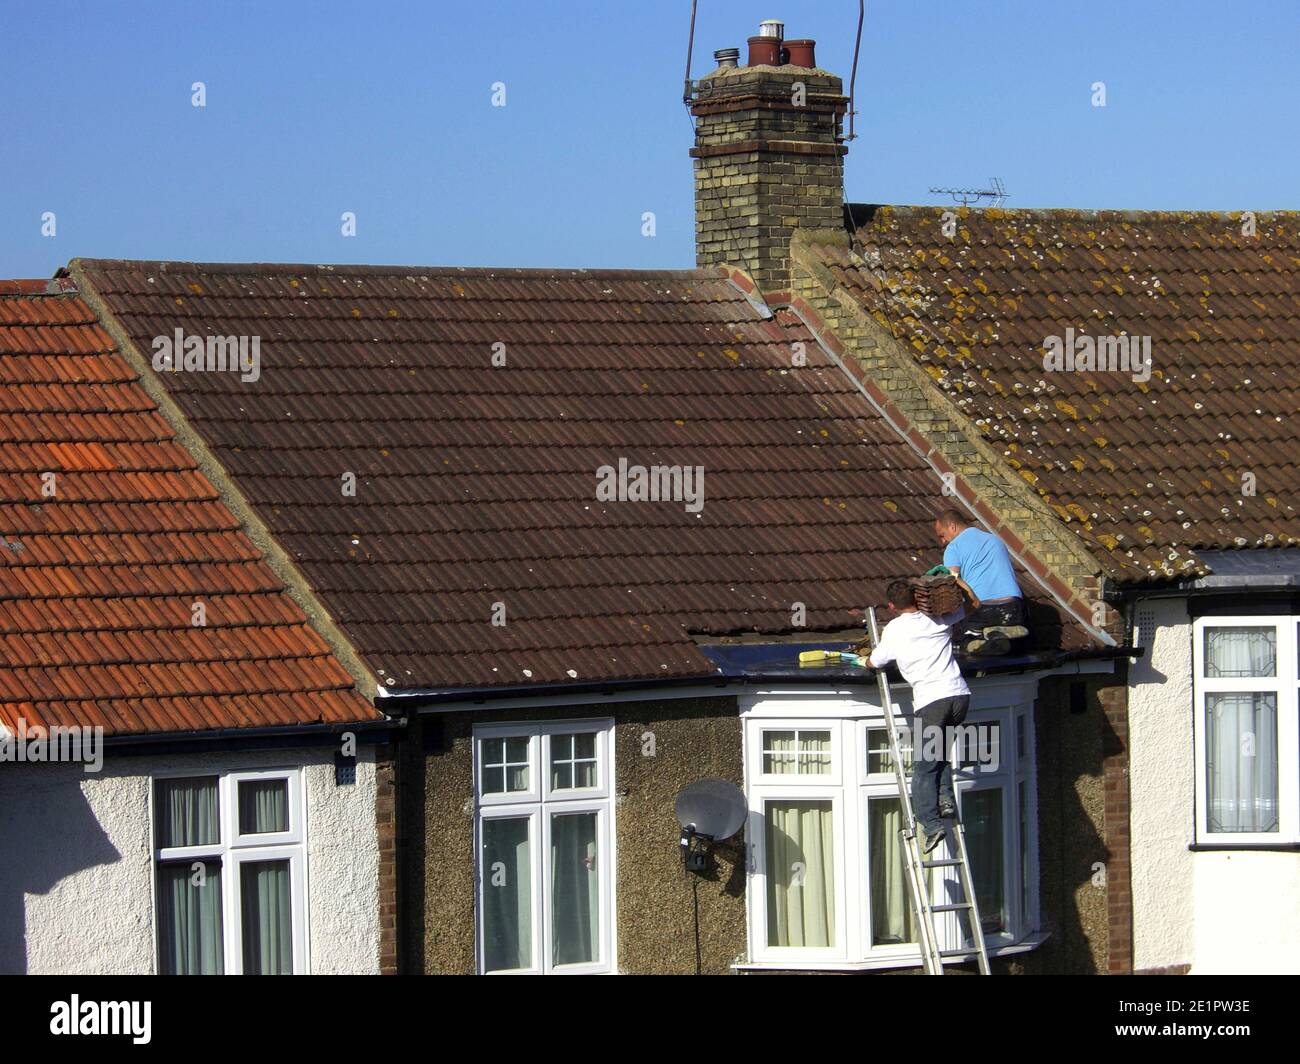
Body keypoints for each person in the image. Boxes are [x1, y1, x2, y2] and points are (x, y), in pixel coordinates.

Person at [868, 578, 973, 854]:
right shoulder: (936, 619)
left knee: (924, 769)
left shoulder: (894, 629)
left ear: (891, 606)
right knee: (939, 754)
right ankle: (946, 800)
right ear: (917, 597)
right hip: (960, 696)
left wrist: (865, 659)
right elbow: (973, 605)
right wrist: (958, 583)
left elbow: (875, 661)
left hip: (932, 701)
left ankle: (931, 826)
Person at [934, 508, 1026, 655]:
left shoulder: (954, 547)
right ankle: (998, 633)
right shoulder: (995, 540)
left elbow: (950, 583)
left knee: (955, 637)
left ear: (952, 526)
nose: (943, 541)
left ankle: (976, 641)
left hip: (983, 609)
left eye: (942, 535)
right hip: (1014, 608)